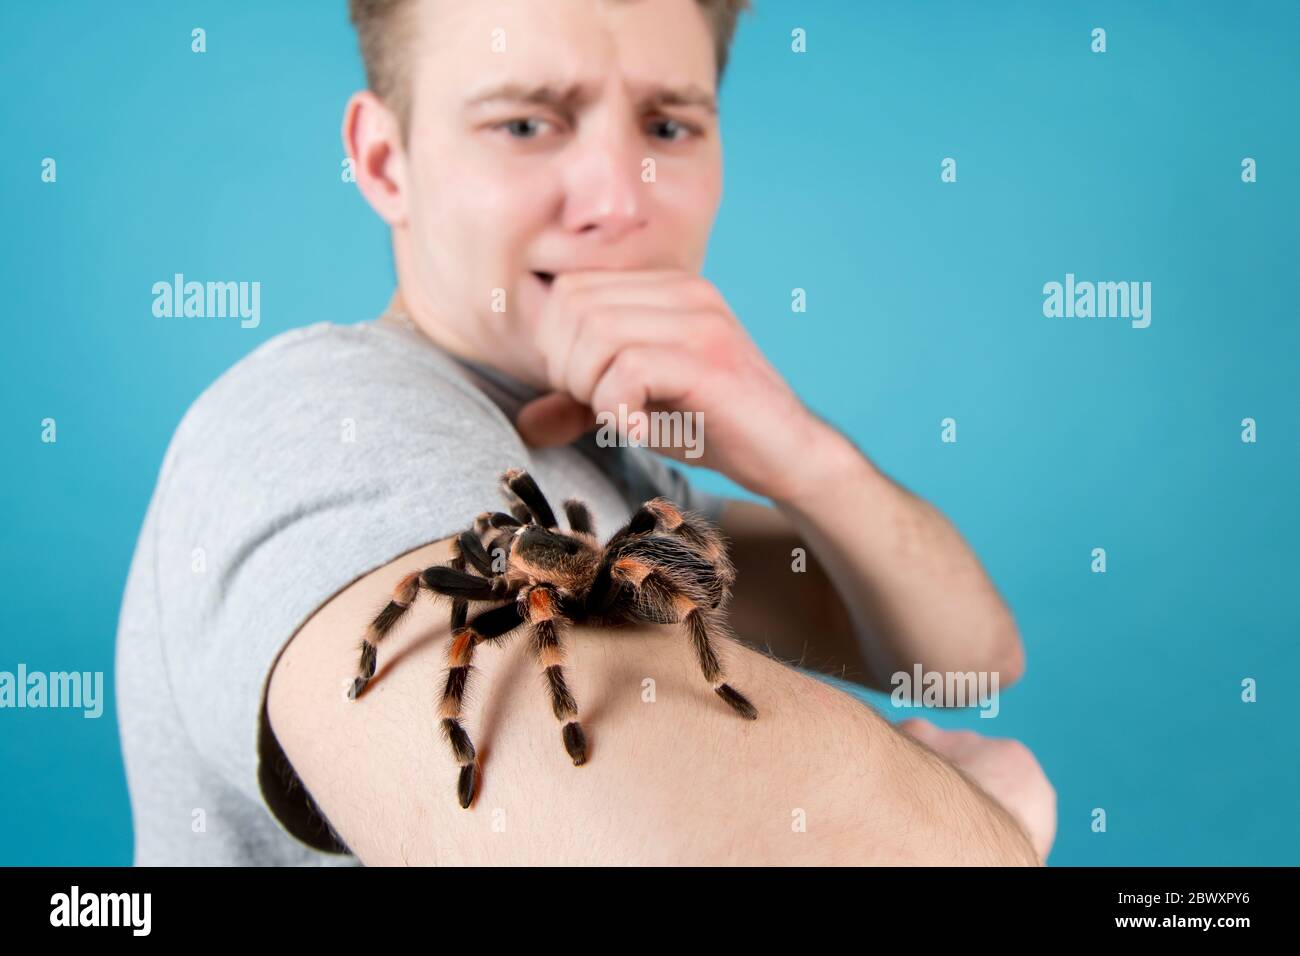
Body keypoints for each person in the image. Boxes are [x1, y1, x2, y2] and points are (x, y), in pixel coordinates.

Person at [115, 0, 1055, 866]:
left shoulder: (617, 465)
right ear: (385, 160)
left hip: (608, 572)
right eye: (525, 123)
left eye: (667, 126)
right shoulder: (323, 419)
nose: (619, 198)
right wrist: (993, 825)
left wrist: (800, 452)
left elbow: (963, 666)